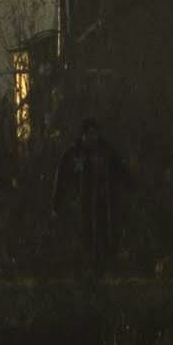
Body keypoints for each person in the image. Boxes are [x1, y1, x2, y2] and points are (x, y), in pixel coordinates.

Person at [52, 116, 131, 274]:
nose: (92, 138)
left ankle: (104, 267)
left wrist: (131, 187)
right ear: (83, 135)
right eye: (89, 134)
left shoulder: (107, 152)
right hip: (81, 203)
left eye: (95, 134)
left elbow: (121, 172)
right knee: (84, 235)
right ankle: (86, 267)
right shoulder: (74, 154)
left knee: (105, 235)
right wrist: (57, 202)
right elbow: (62, 178)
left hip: (104, 202)